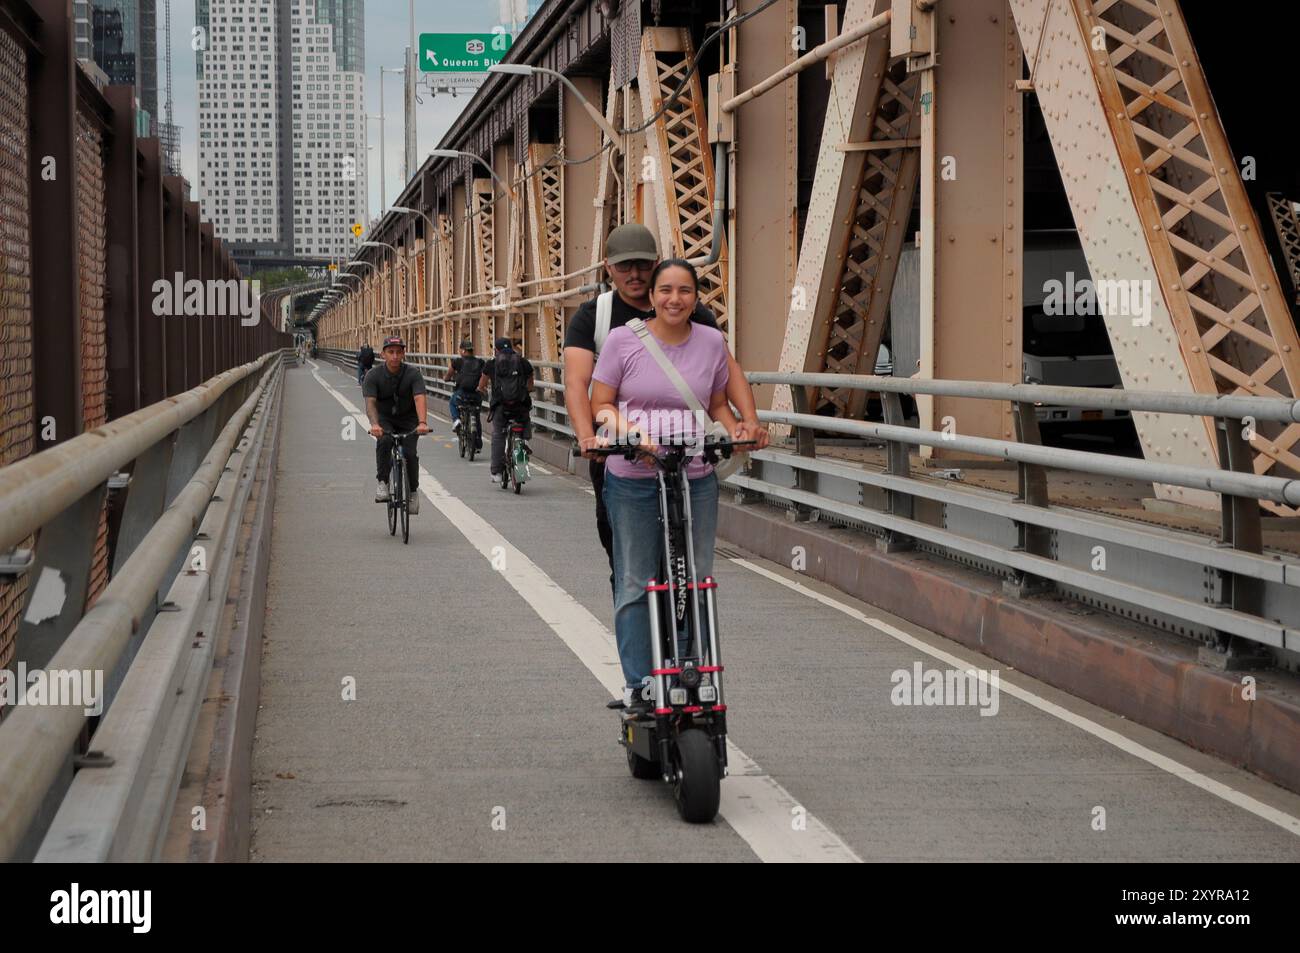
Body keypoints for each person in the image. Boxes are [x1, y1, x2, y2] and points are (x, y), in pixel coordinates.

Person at [562, 223, 769, 587]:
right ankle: (641, 626)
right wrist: (586, 438)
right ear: (608, 267)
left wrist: (747, 421)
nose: (635, 274)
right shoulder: (594, 316)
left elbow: (726, 371)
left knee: (689, 563)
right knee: (626, 559)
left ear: (656, 263)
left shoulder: (691, 313)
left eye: (643, 265)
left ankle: (683, 626)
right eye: (624, 266)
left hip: (685, 453)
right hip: (620, 448)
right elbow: (578, 383)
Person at [590, 259, 745, 713]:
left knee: (694, 578)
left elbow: (717, 401)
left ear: (696, 298)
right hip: (634, 477)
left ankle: (692, 668)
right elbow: (601, 403)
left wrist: (738, 429)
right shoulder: (623, 341)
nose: (674, 299)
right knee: (637, 581)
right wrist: (633, 436)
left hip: (693, 476)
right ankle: (639, 683)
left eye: (684, 291)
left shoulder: (712, 342)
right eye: (665, 290)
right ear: (652, 296)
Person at [362, 335, 429, 514]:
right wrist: (375, 424)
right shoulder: (373, 375)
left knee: (410, 453)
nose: (394, 356)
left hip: (408, 418)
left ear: (403, 354)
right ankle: (383, 483)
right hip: (384, 418)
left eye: (398, 352)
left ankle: (413, 491)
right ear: (383, 354)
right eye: (390, 352)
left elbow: (419, 397)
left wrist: (422, 422)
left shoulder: (413, 374)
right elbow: (370, 403)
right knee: (384, 442)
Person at [482, 336, 534, 481]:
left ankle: (497, 473)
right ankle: (525, 441)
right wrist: (528, 389)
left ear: (496, 350)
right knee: (524, 419)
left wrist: (481, 389)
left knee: (498, 434)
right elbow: (530, 379)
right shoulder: (522, 361)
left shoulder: (492, 363)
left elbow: (483, 381)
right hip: (519, 405)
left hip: (501, 405)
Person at [444, 340, 486, 449]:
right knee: (476, 416)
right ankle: (477, 443)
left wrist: (447, 378)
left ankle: (457, 420)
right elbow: (485, 377)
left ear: (463, 350)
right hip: (476, 395)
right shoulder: (480, 362)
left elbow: (449, 374)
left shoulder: (458, 361)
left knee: (453, 402)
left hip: (462, 394)